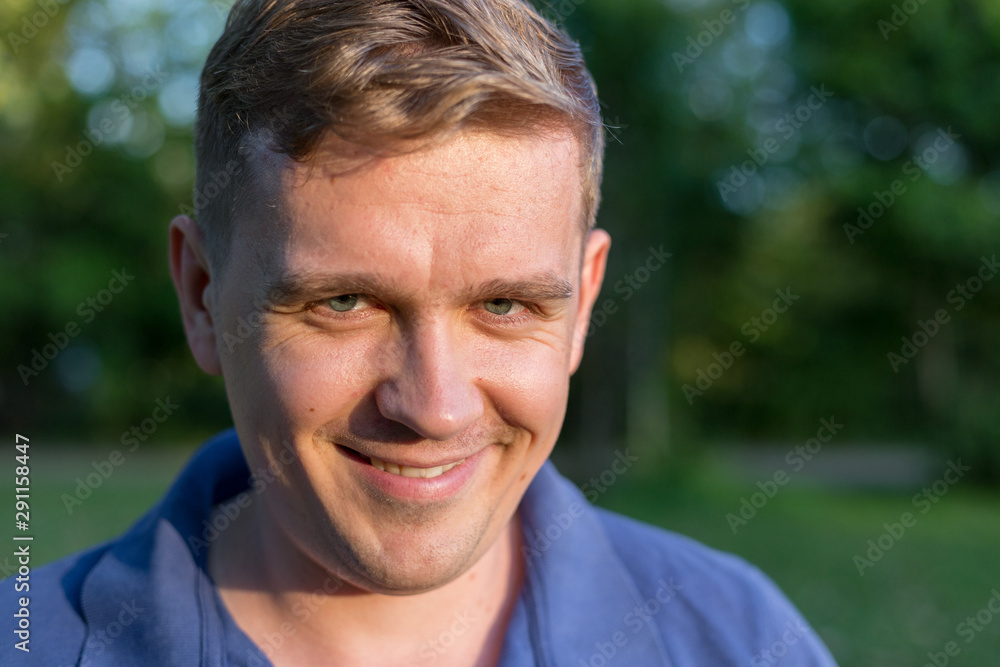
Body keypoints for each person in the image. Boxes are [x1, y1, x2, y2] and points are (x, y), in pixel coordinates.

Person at [6, 0, 837, 664]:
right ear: (201, 297)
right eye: (344, 303)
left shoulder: (738, 638)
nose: (433, 406)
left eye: (505, 305)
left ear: (582, 305)